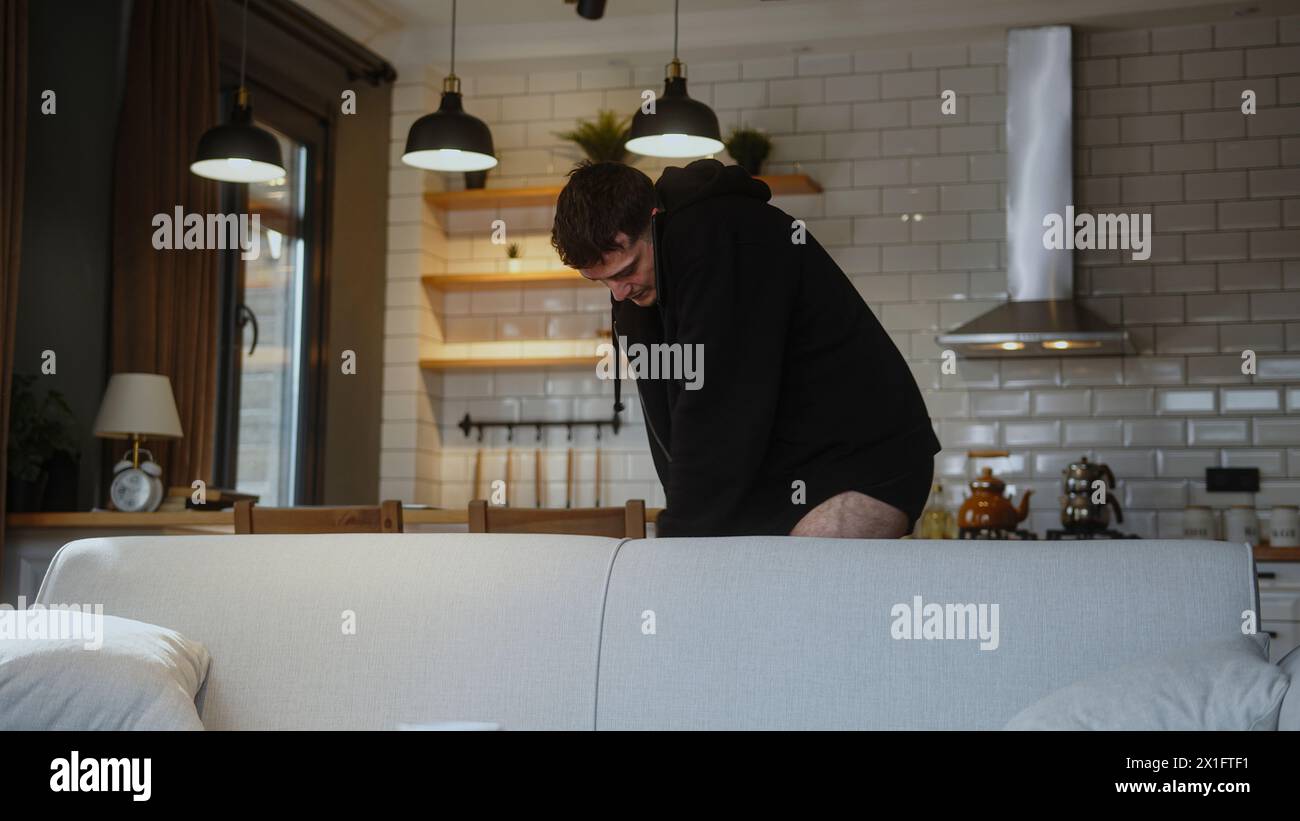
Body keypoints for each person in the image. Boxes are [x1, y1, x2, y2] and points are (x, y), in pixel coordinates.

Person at [551, 158, 939, 538]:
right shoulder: (643, 290)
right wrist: (685, 530)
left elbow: (718, 401)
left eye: (626, 271)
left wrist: (682, 541)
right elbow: (671, 423)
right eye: (601, 282)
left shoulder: (723, 238)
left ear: (652, 219)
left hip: (858, 466)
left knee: (790, 592)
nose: (619, 292)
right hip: (773, 479)